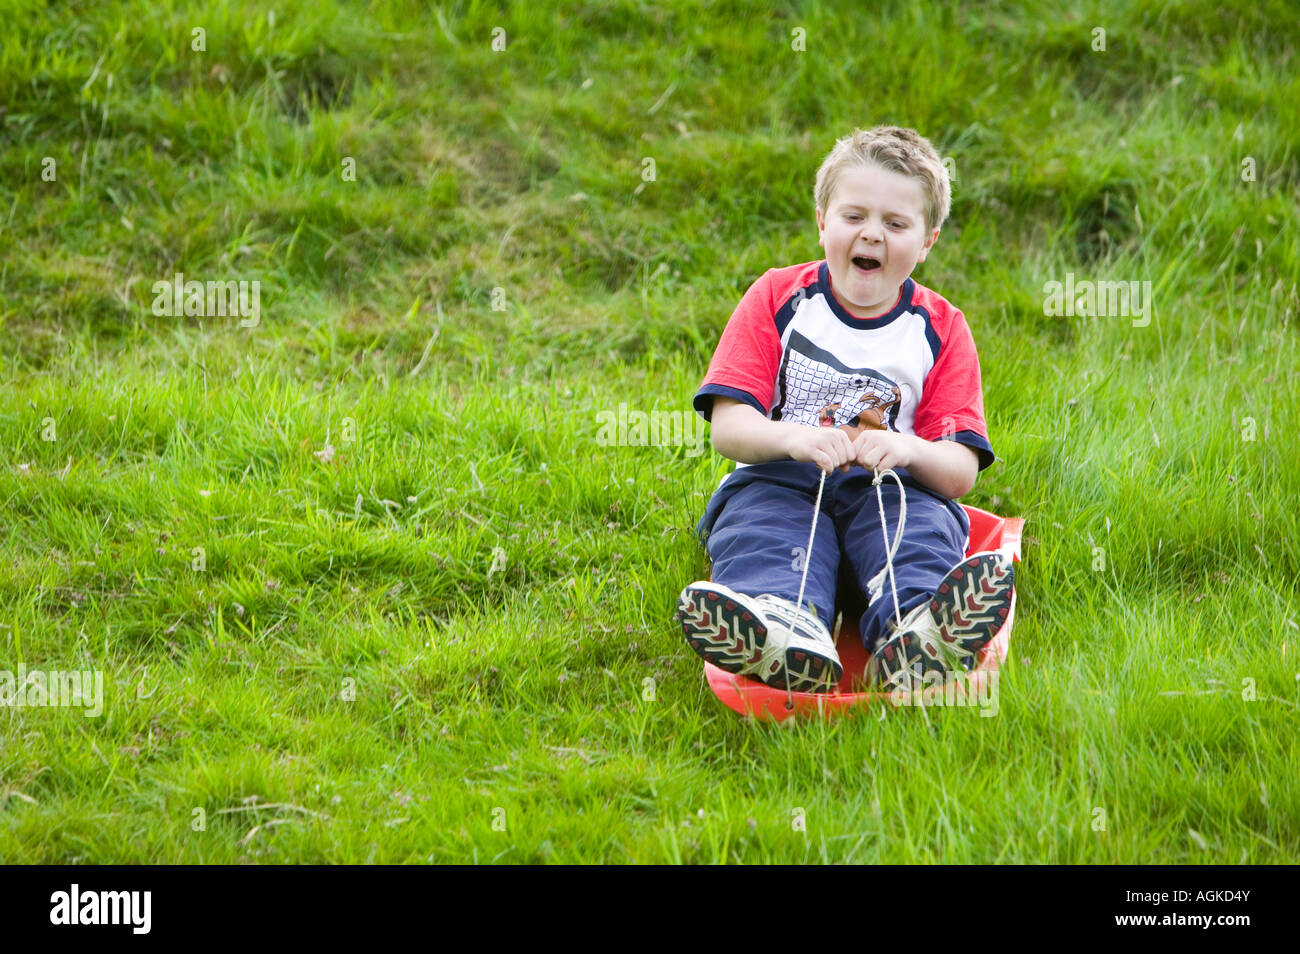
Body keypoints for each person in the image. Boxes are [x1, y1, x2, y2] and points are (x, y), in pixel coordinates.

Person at [676, 125, 1014, 695]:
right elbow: (729, 429)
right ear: (822, 221)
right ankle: (783, 626)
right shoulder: (778, 298)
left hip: (888, 492)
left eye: (896, 224)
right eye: (854, 216)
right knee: (765, 529)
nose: (872, 235)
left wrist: (907, 449)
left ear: (927, 241)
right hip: (781, 481)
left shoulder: (940, 328)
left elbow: (960, 474)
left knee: (919, 531)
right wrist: (793, 441)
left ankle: (920, 628)